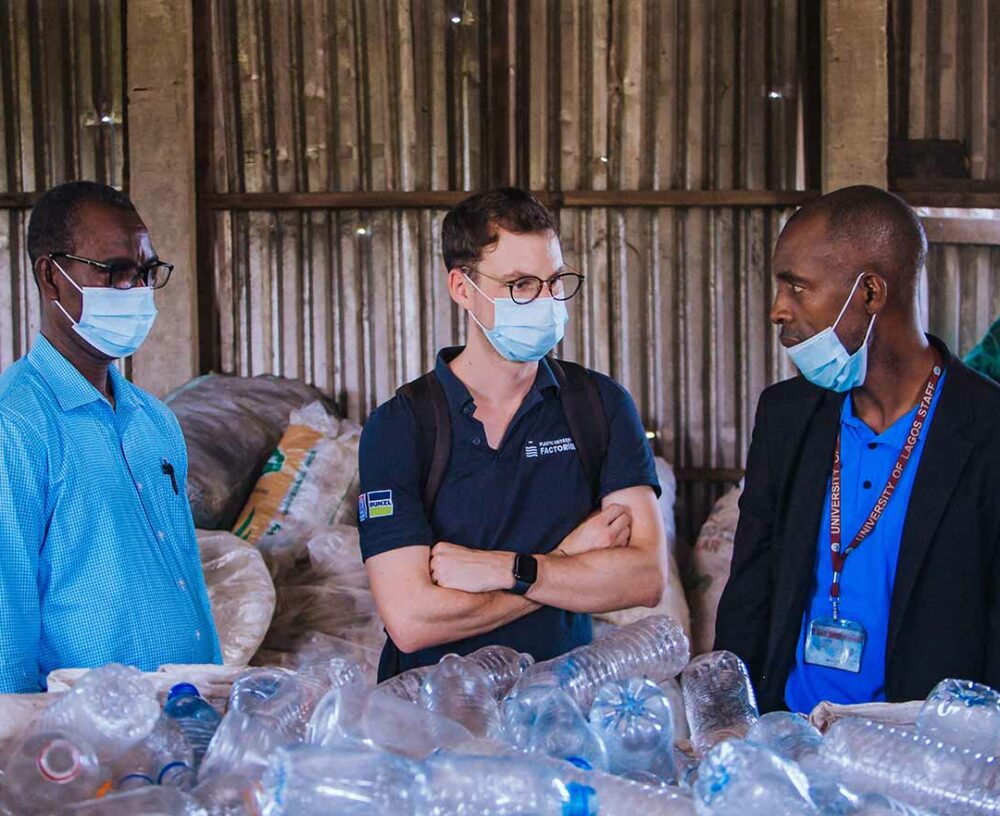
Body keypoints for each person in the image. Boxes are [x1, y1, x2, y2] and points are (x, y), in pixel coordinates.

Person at [358, 187, 667, 681]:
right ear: (462, 288)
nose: (545, 301)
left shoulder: (598, 405)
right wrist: (565, 559)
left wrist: (506, 569)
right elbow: (412, 622)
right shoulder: (401, 426)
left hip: (559, 705)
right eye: (520, 284)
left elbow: (645, 579)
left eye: (554, 281)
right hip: (435, 710)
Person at [715, 185, 1000, 715]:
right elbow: (751, 585)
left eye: (796, 287)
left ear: (870, 293)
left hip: (921, 747)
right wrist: (730, 719)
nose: (778, 309)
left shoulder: (986, 428)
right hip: (791, 735)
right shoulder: (786, 416)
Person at [0, 181, 222, 693]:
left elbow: (185, 577)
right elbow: (6, 623)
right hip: (82, 730)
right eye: (115, 271)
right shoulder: (17, 426)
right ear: (51, 277)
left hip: (183, 711)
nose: (136, 290)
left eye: (145, 272)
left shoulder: (154, 420)